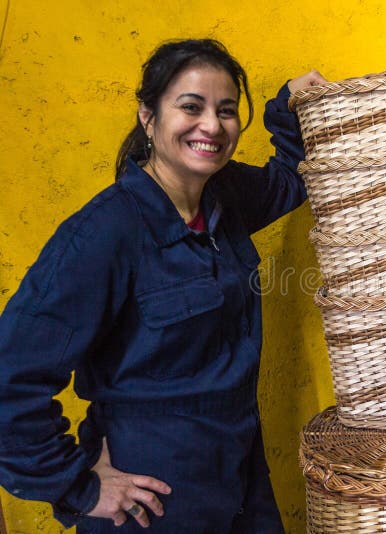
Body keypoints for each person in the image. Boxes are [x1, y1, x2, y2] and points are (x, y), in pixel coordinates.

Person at [0, 38, 325, 532]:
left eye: (227, 110)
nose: (212, 126)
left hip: (240, 479)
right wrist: (78, 486)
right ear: (148, 117)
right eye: (190, 107)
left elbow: (288, 181)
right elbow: (10, 375)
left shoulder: (226, 198)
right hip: (153, 500)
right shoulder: (104, 234)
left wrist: (289, 106)